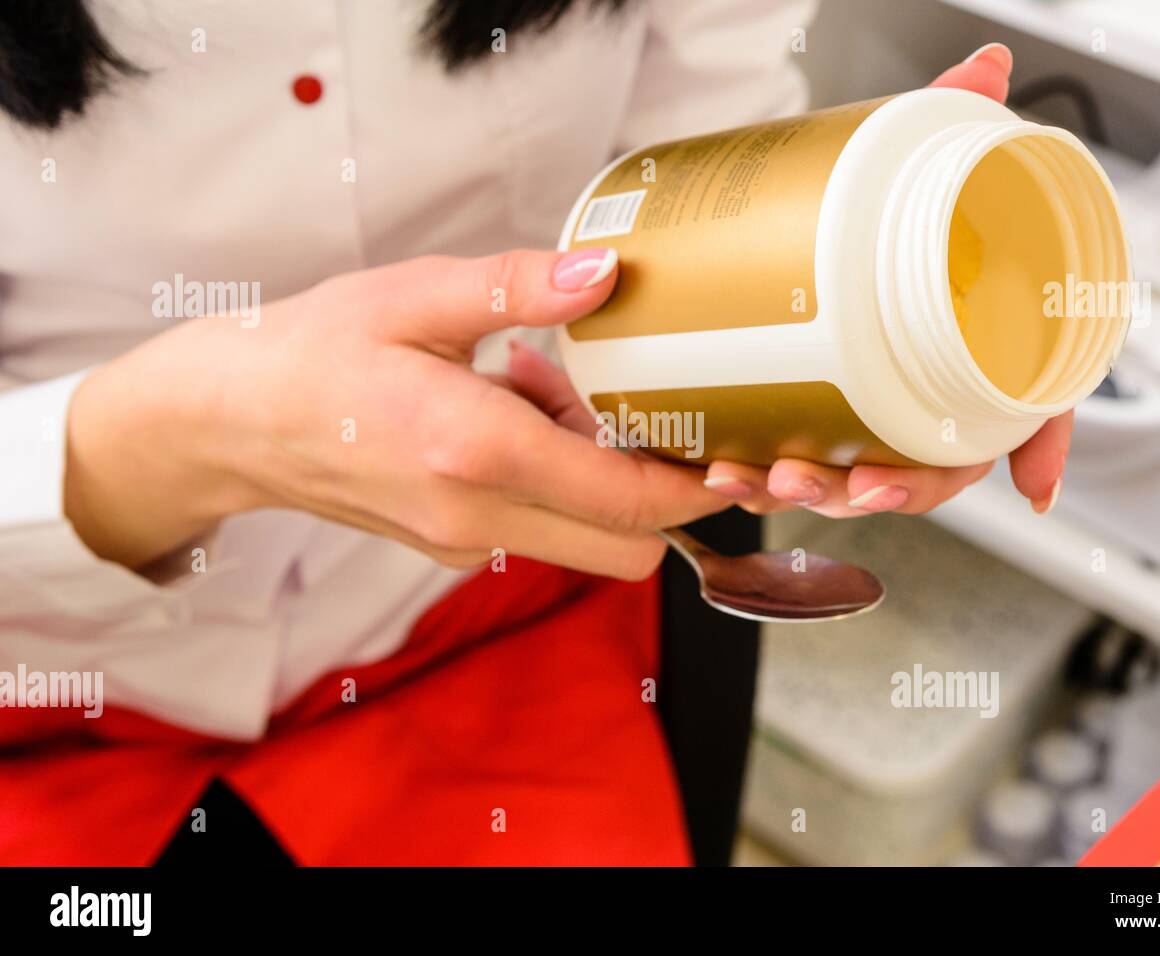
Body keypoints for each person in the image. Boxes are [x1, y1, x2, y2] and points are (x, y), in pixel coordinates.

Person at [0, 0, 1065, 864]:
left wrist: (878, 270)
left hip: (504, 620)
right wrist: (198, 431)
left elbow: (695, 173)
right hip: (51, 680)